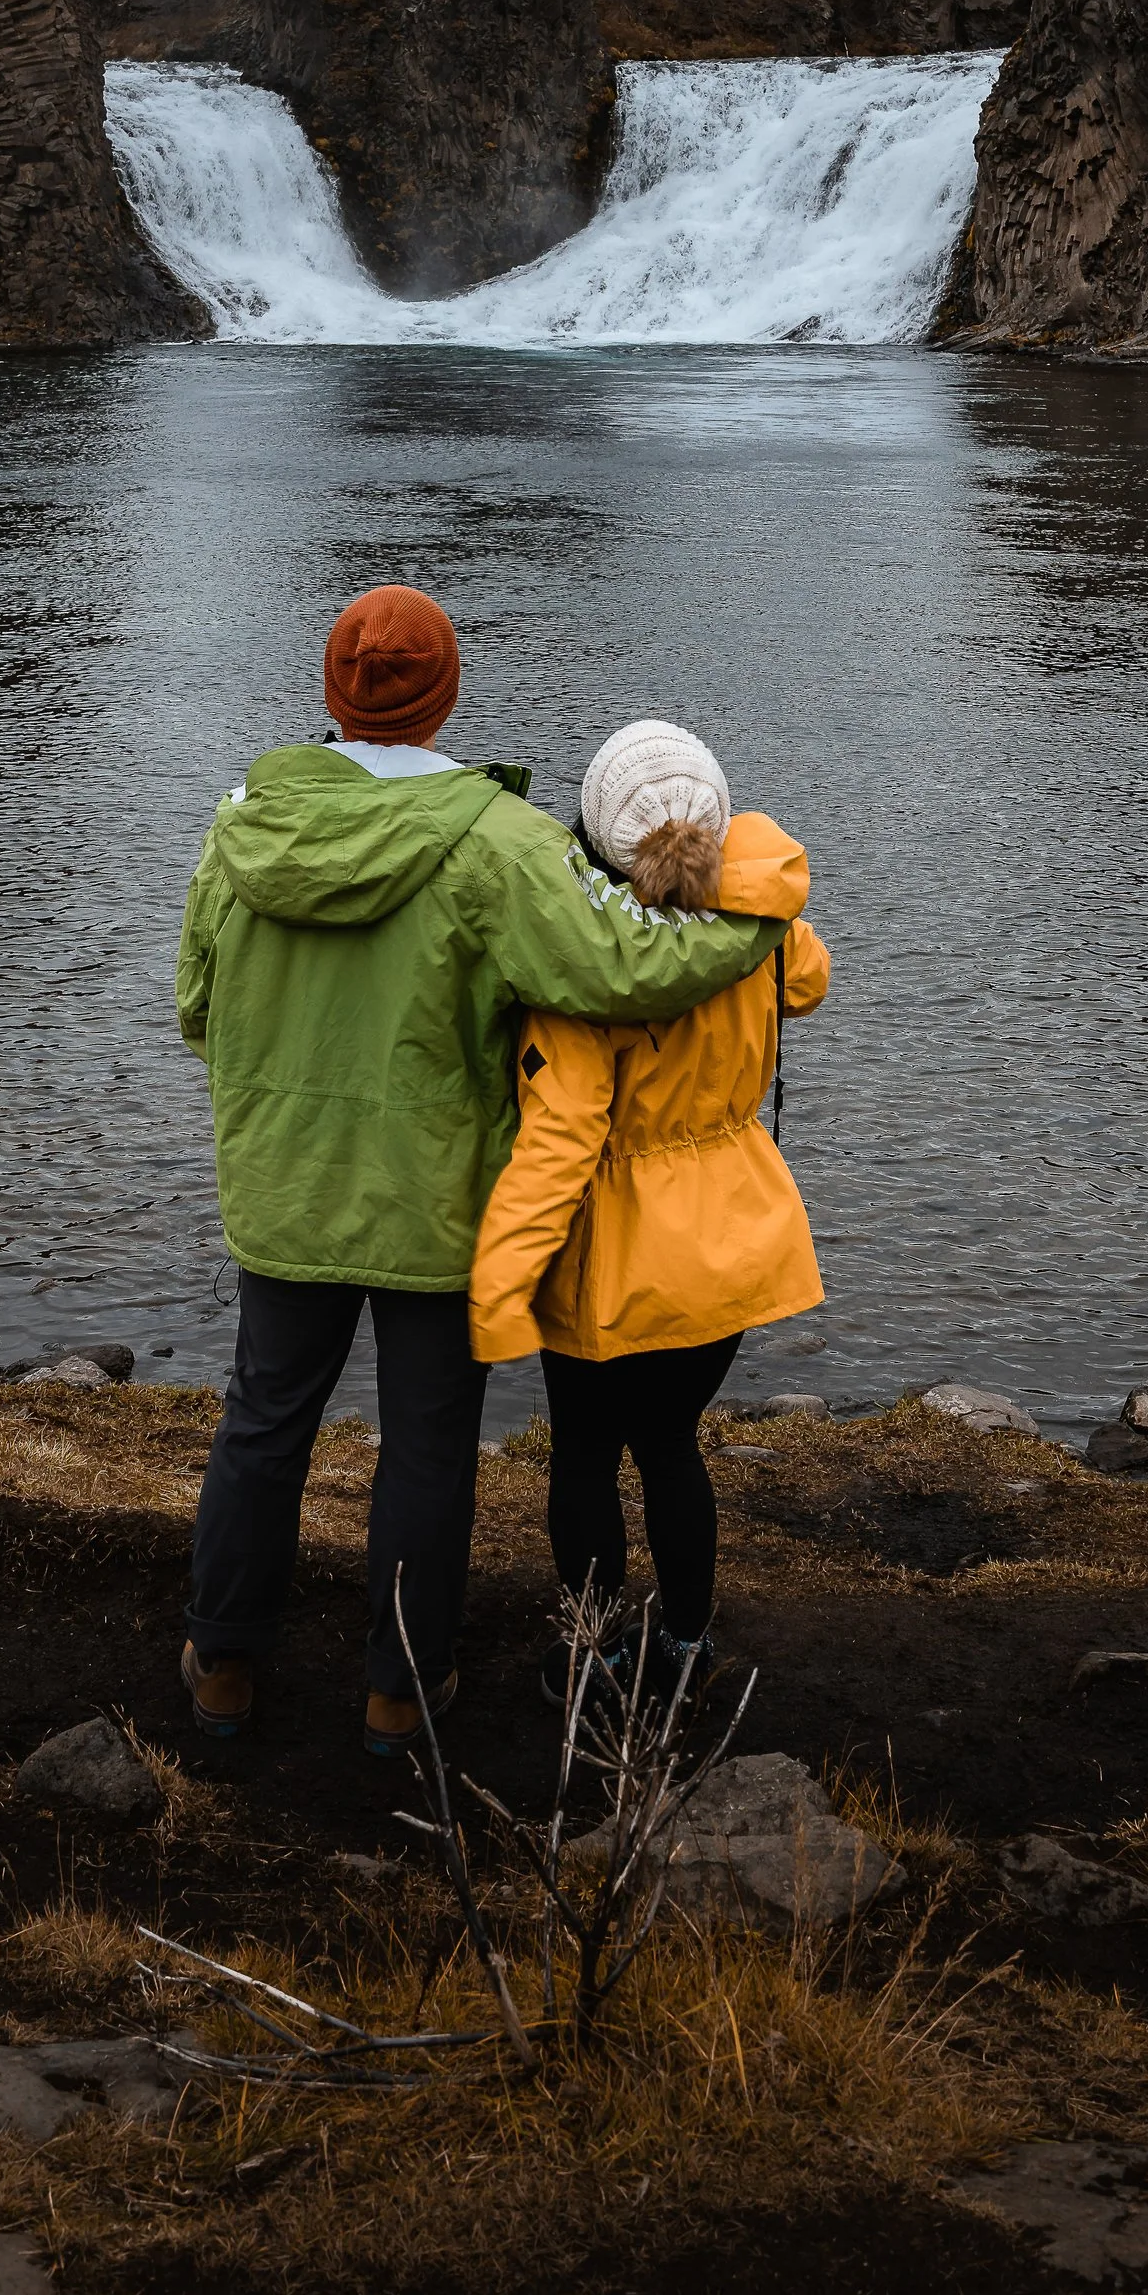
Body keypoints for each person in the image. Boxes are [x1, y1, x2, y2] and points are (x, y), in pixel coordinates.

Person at [175, 589, 783, 1757]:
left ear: (329, 692)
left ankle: (223, 1674)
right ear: (449, 696)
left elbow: (196, 1008)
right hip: (434, 1201)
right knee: (426, 1445)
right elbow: (620, 972)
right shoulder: (498, 842)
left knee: (262, 1424)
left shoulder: (240, 825)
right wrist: (757, 915)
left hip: (283, 1186)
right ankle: (401, 1692)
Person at [468, 718, 829, 1693]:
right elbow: (812, 979)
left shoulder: (581, 973)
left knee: (585, 1455)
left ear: (593, 840)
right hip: (730, 1245)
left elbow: (559, 1140)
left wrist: (499, 1280)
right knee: (670, 1446)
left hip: (610, 1262)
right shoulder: (763, 935)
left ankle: (594, 1653)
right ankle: (686, 1645)